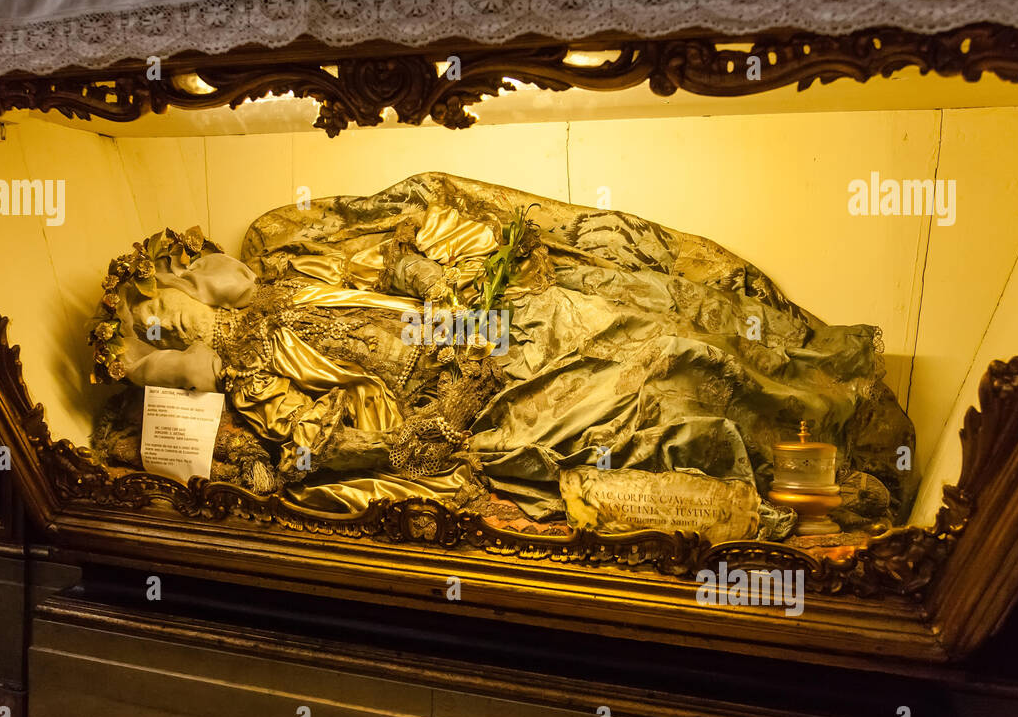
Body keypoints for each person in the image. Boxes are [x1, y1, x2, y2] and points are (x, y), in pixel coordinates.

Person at [88, 173, 918, 536]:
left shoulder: (295, 262)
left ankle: (843, 403)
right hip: (495, 410)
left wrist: (430, 281)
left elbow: (393, 250)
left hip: (505, 323)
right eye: (156, 322)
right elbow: (336, 444)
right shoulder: (262, 387)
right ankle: (828, 474)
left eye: (164, 298)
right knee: (668, 395)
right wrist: (443, 402)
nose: (176, 304)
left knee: (677, 330)